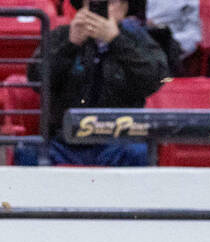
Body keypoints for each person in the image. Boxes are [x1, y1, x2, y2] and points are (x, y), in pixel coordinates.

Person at [17, 0, 167, 167]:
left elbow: (156, 79)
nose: (99, 12)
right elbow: (36, 78)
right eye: (92, 4)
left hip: (120, 140)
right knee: (28, 152)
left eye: (109, 4)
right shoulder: (61, 35)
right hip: (64, 140)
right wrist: (70, 44)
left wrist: (116, 40)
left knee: (138, 153)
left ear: (124, 9)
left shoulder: (138, 39)